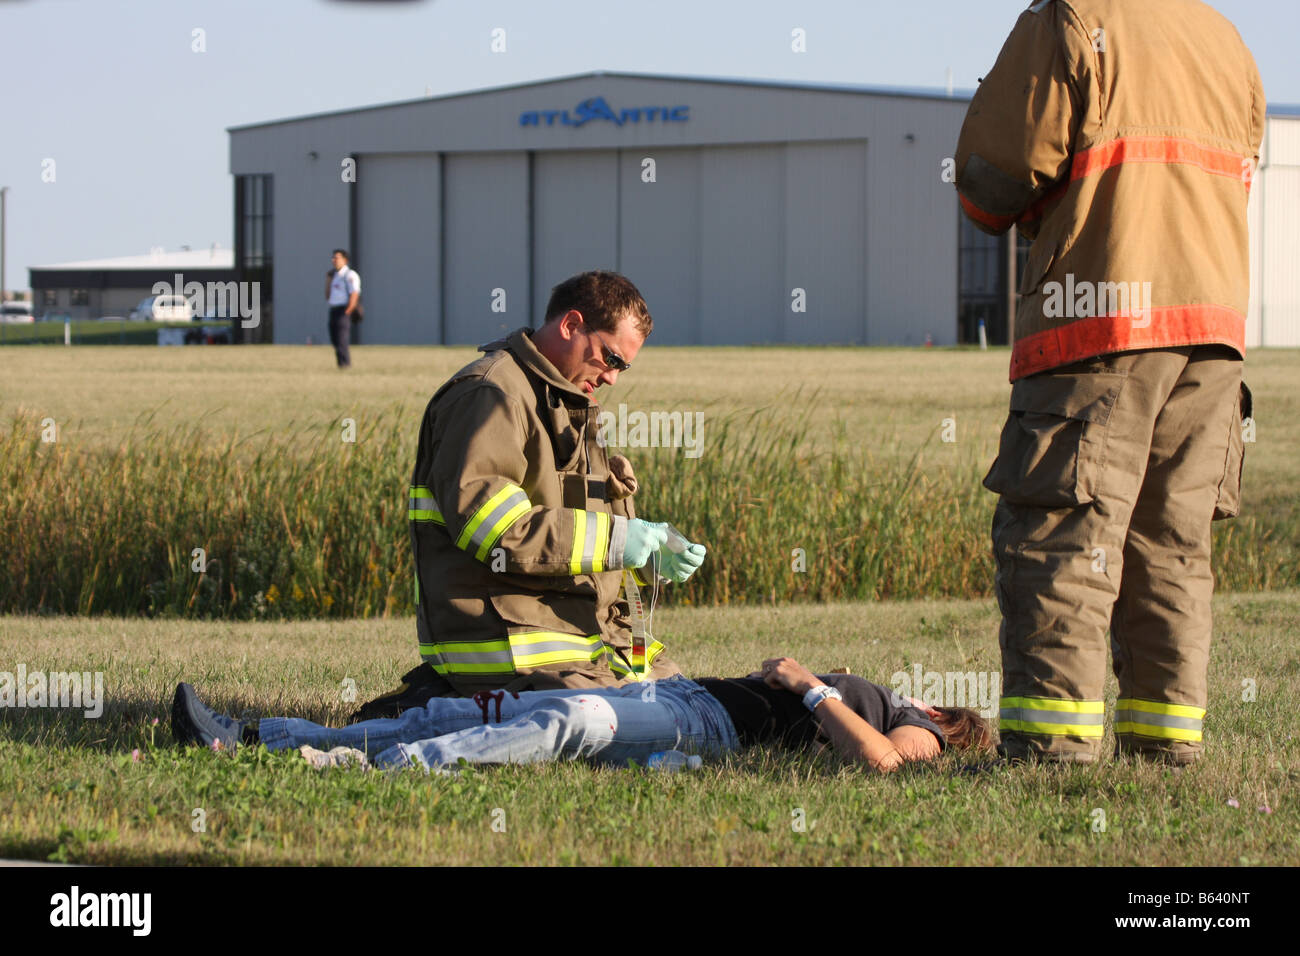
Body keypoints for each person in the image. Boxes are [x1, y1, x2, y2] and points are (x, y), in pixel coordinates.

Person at [954, 0, 1264, 763]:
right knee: (1172, 543)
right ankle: (1167, 743)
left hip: (1098, 318)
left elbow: (993, 177)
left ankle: (1054, 745)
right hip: (1212, 329)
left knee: (1062, 533)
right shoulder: (1223, 36)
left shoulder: (1070, 18)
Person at [353, 271, 706, 721]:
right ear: (570, 325)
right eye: (611, 359)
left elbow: (574, 536)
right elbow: (496, 527)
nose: (613, 379)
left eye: (623, 367)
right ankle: (428, 708)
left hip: (582, 639)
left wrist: (644, 559)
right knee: (627, 725)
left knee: (694, 709)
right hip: (512, 644)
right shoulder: (492, 395)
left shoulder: (565, 400)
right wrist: (616, 539)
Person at [171, 658, 995, 773]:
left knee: (571, 729)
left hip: (705, 730)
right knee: (468, 705)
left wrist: (811, 687)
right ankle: (254, 736)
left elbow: (882, 765)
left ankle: (353, 767)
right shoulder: (887, 692)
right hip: (676, 695)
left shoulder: (908, 725)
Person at [326, 249, 360, 369]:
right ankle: (340, 364)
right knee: (334, 338)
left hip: (343, 310)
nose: (334, 260)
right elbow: (327, 295)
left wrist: (348, 311)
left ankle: (345, 364)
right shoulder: (333, 275)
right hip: (334, 309)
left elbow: (354, 294)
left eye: (337, 258)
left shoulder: (350, 275)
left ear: (345, 260)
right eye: (333, 258)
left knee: (342, 339)